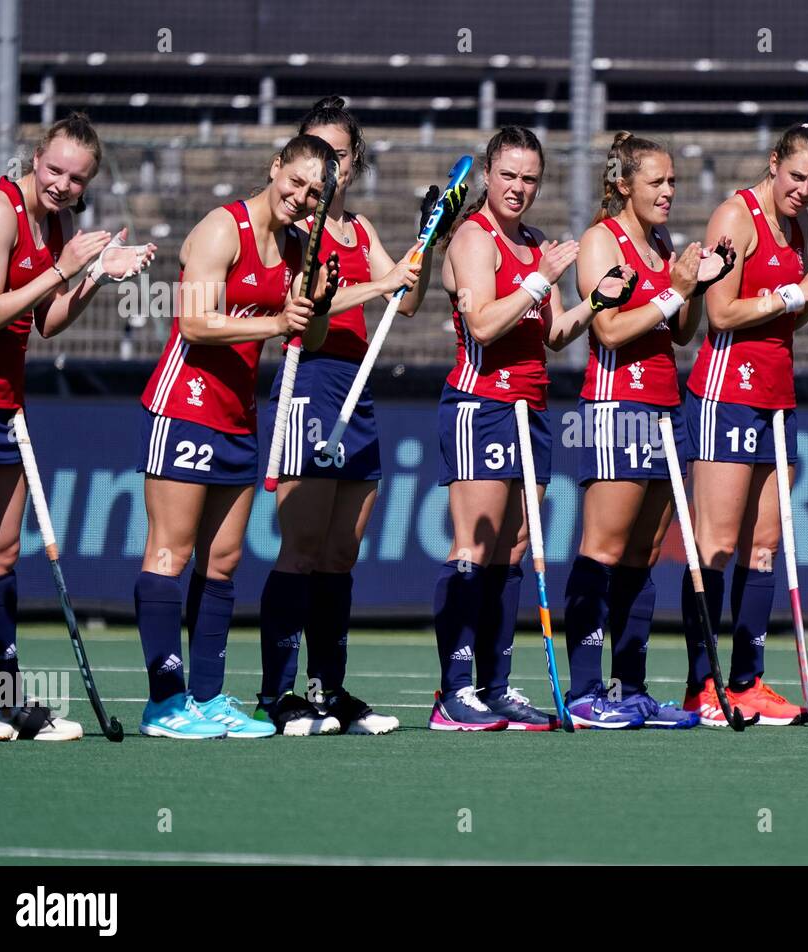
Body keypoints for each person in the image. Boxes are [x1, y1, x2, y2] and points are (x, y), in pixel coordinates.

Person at [256, 96, 464, 735]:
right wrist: (379, 285)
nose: (325, 167)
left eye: (337, 155)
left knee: (341, 554)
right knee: (303, 547)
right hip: (309, 382)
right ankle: (276, 693)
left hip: (358, 388)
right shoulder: (293, 230)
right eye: (314, 151)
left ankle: (327, 689)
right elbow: (310, 304)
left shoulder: (363, 229)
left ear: (351, 164)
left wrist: (435, 238)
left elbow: (406, 300)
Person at [430, 125, 635, 731]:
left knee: (514, 549)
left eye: (530, 178)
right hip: (480, 405)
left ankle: (494, 684)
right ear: (488, 177)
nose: (519, 188)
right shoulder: (475, 238)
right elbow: (487, 325)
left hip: (531, 408)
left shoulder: (534, 241)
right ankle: (453, 691)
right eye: (509, 176)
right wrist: (540, 279)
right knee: (474, 546)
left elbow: (546, 335)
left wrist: (594, 304)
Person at [134, 134, 336, 739]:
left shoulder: (300, 247)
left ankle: (206, 699)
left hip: (238, 415)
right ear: (275, 168)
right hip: (186, 403)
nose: (300, 198)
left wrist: (316, 306)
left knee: (221, 563)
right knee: (170, 553)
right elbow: (194, 322)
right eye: (294, 182)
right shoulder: (224, 228)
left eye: (314, 193)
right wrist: (278, 320)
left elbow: (313, 342)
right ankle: (164, 705)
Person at [0, 113, 153, 741]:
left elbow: (47, 322)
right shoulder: (1, 209)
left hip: (7, 401)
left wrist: (97, 274)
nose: (63, 184)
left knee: (1, 555)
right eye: (54, 169)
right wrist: (64, 266)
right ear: (35, 158)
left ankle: (3, 700)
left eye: (76, 178)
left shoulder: (59, 224)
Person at [681, 123, 808, 727]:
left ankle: (746, 680)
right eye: (797, 177)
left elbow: (790, 317)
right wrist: (796, 292)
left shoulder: (796, 225)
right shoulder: (734, 218)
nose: (805, 191)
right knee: (717, 543)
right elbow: (721, 311)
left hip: (775, 396)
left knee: (763, 548)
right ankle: (701, 684)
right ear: (773, 162)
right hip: (725, 394)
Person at [562, 131, 735, 730]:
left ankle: (630, 686)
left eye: (671, 181)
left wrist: (698, 282)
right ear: (623, 185)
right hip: (618, 410)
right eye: (656, 181)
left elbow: (681, 332)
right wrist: (676, 290)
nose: (668, 191)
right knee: (603, 550)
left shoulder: (661, 243)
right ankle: (585, 693)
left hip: (667, 408)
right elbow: (608, 331)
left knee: (642, 556)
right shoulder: (599, 242)